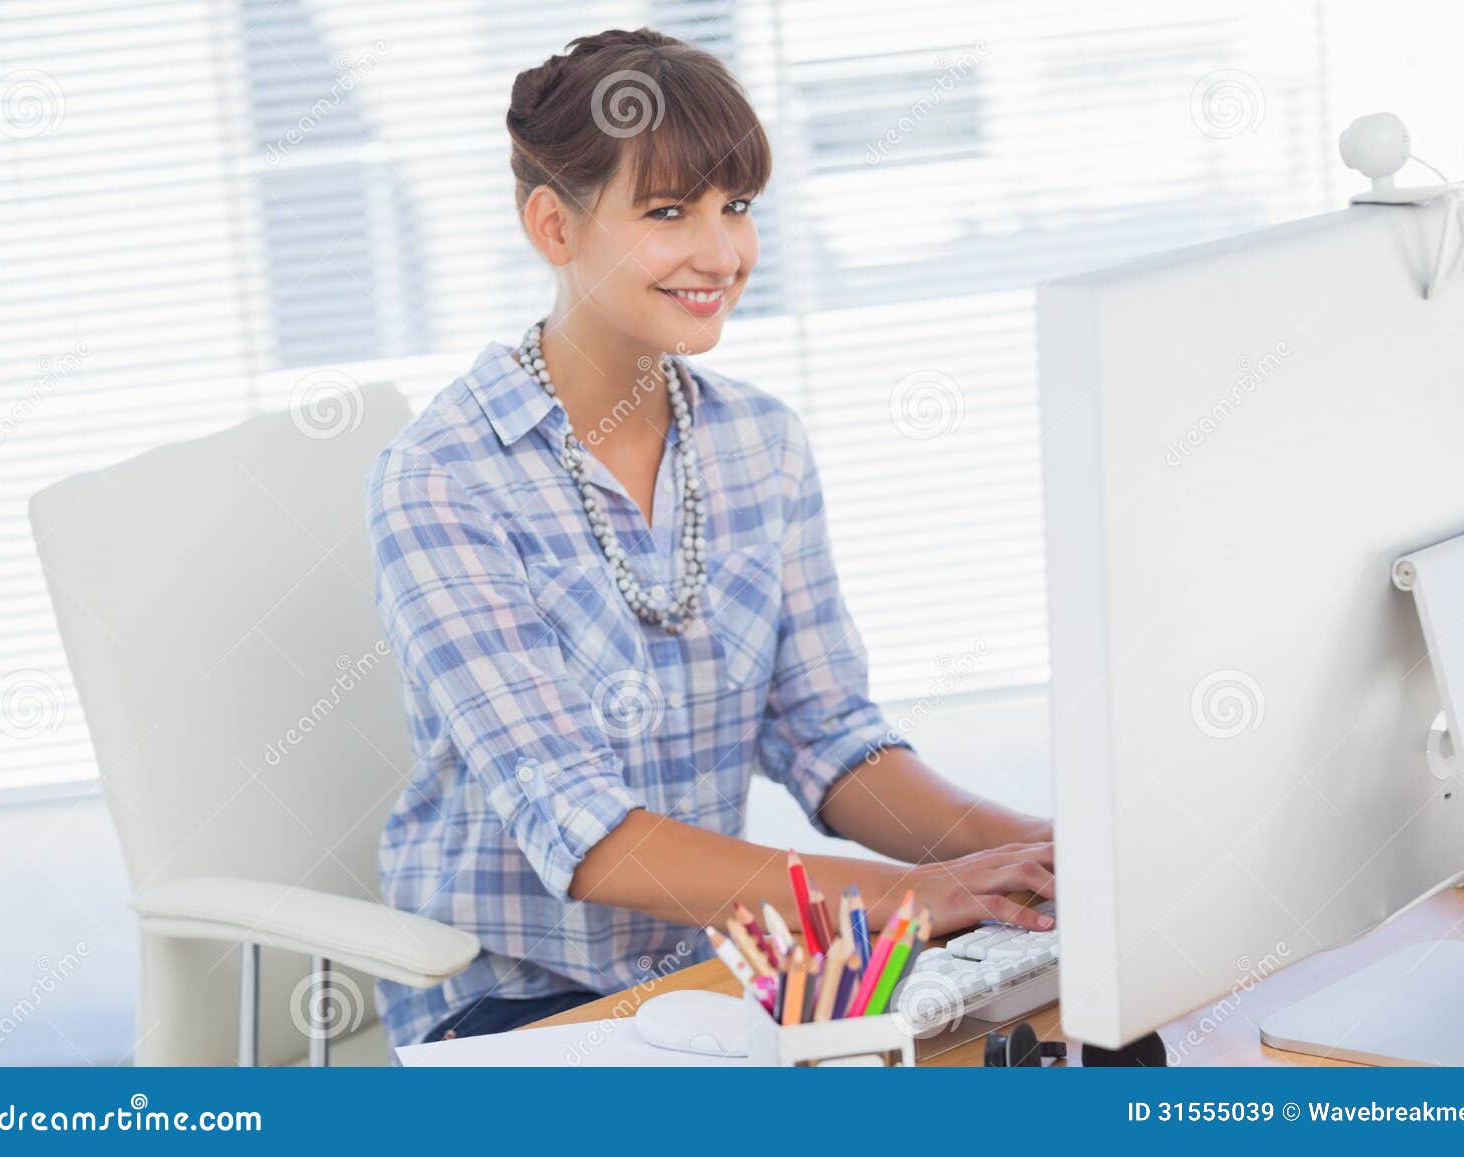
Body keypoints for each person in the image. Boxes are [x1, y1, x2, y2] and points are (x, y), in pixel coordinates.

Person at [365, 27, 1054, 1050]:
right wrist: (915, 896)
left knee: (1028, 1028)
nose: (720, 252)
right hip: (517, 1000)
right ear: (553, 225)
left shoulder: (759, 441)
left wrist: (1045, 852)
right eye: (667, 211)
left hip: (720, 964)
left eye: (734, 207)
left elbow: (827, 738)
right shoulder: (442, 479)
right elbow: (587, 837)